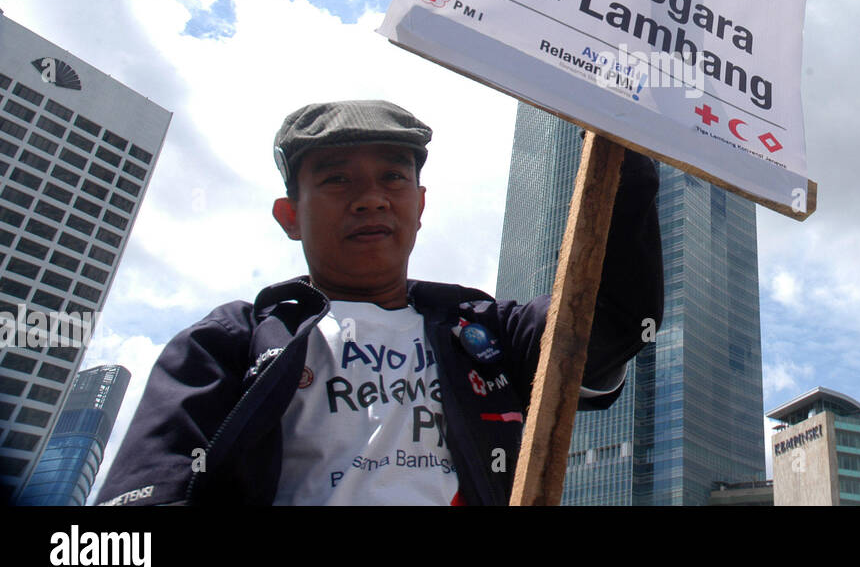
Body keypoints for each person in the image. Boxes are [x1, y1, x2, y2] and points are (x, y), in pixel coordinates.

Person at [95, 100, 662, 505]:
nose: (370, 199)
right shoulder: (231, 340)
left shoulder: (486, 331)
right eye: (338, 180)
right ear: (289, 216)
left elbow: (609, 322)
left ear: (419, 205)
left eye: (392, 178)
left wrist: (623, 146)